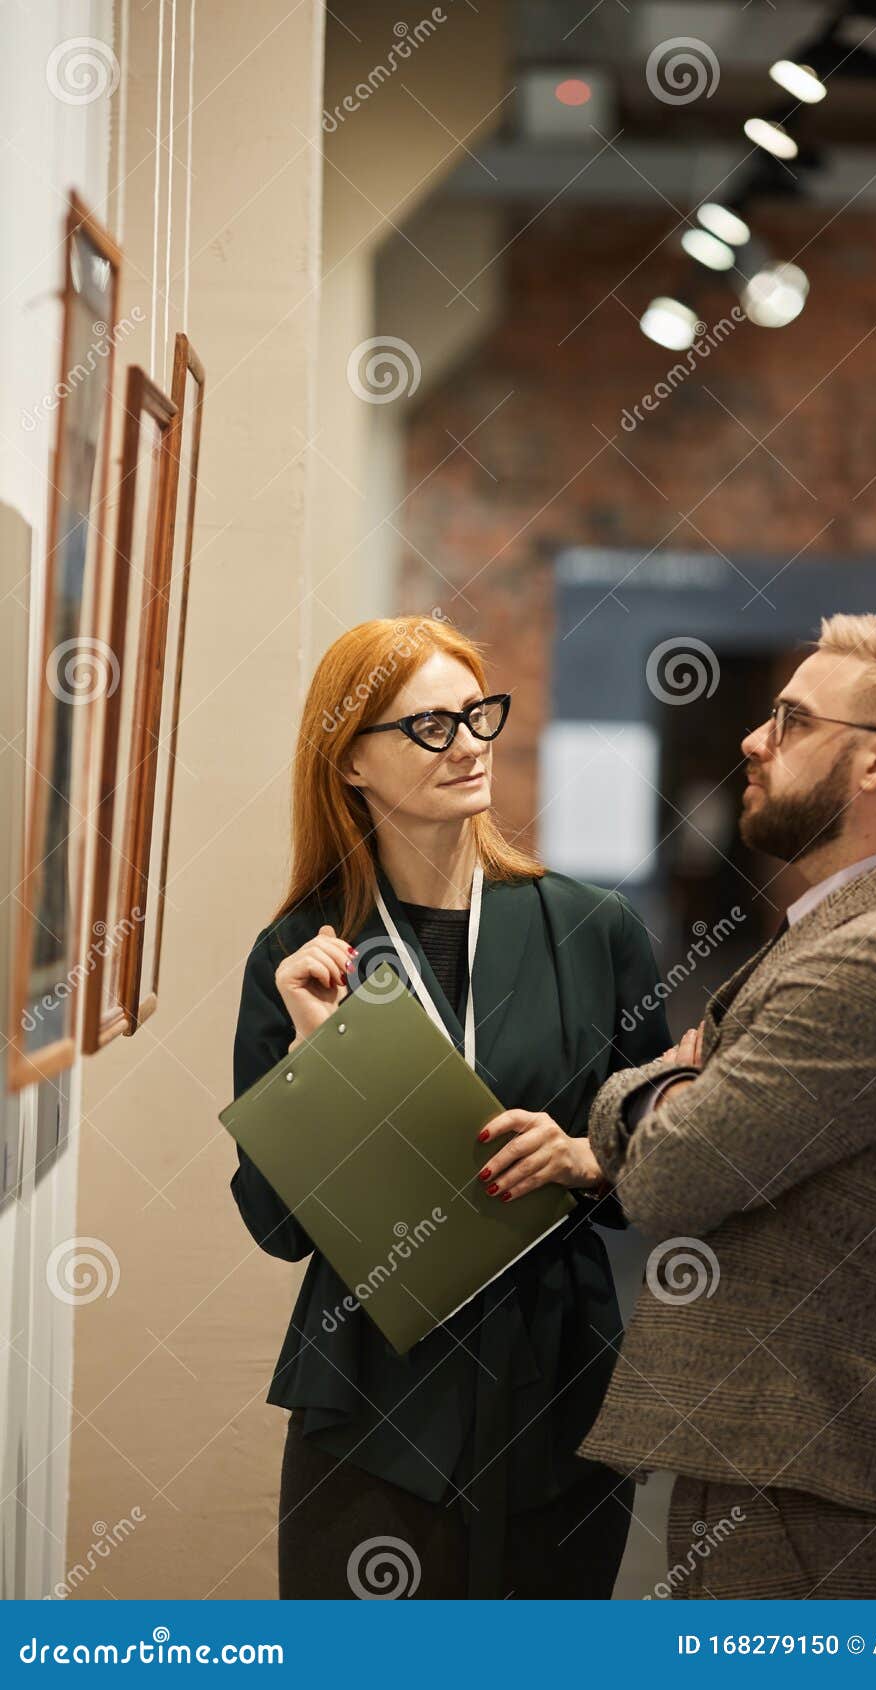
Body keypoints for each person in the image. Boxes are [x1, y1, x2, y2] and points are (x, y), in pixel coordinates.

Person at [573, 613, 876, 1599]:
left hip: (812, 1500)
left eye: (789, 719)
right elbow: (684, 1129)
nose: (750, 739)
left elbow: (675, 1176)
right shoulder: (849, 931)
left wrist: (661, 1087)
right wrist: (671, 1087)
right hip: (782, 1477)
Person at [230, 613, 670, 1599]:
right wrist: (317, 1056)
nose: (470, 742)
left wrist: (585, 1157)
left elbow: (663, 1162)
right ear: (348, 764)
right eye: (430, 727)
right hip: (372, 1387)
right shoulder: (299, 953)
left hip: (557, 1373)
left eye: (476, 714)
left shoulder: (591, 931)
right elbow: (276, 1225)